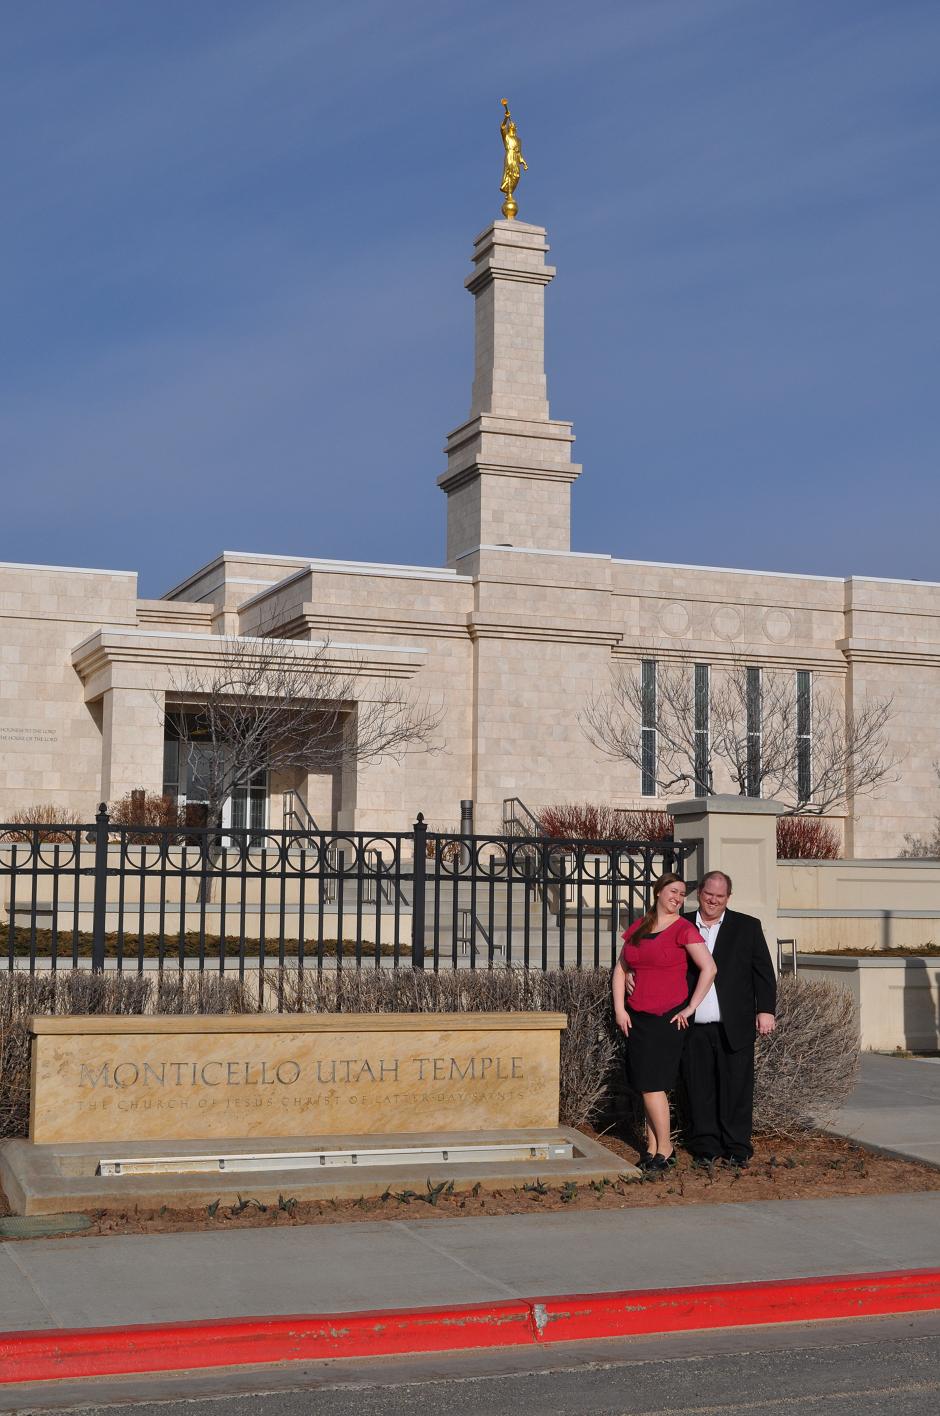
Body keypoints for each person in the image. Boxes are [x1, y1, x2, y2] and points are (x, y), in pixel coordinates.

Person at [612, 873, 717, 1173]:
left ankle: (666, 1148)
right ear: (658, 892)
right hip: (637, 1018)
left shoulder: (683, 929)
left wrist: (690, 1008)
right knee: (644, 1084)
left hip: (666, 1018)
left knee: (652, 1085)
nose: (678, 898)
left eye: (683, 894)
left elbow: (709, 969)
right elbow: (621, 969)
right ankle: (652, 1147)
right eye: (673, 891)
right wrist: (620, 1009)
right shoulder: (640, 926)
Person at [680, 870, 777, 1167]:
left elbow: (763, 973)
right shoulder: (680, 925)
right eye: (709, 894)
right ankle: (705, 1147)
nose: (713, 900)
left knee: (736, 1088)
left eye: (720, 896)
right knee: (699, 1088)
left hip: (733, 1025)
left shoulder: (747, 927)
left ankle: (737, 1148)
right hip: (692, 1026)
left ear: (728, 898)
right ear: (699, 892)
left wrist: (766, 1010)